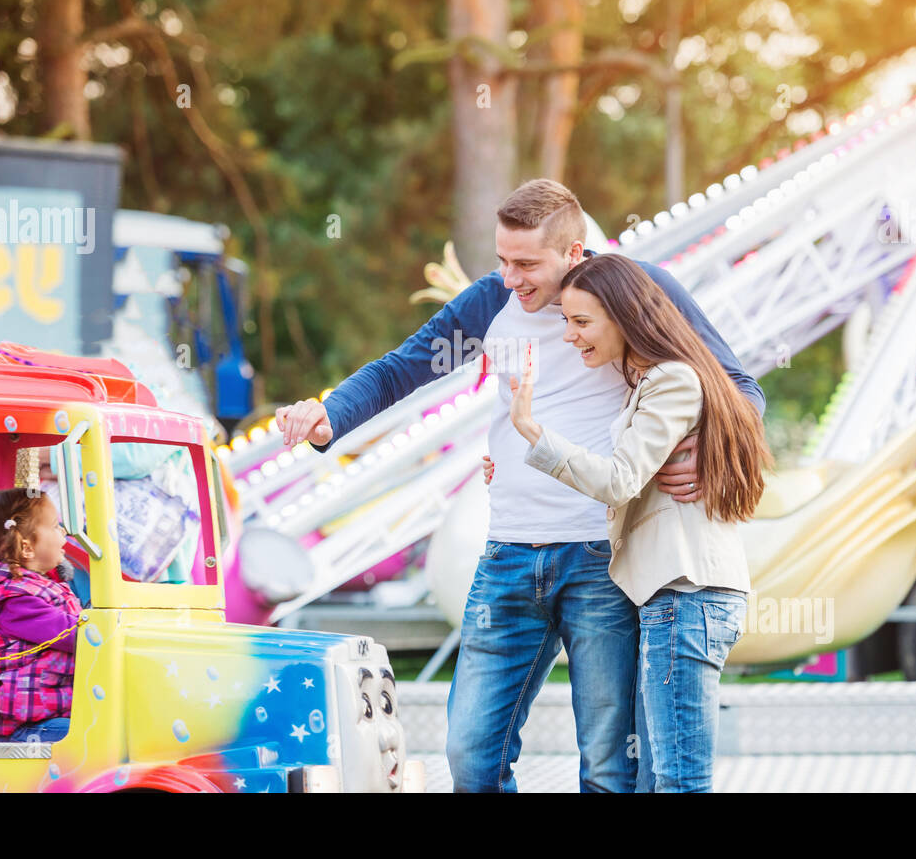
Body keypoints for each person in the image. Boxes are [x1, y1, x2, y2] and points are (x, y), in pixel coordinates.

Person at [276, 178, 764, 792]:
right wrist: (332, 413)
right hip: (508, 551)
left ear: (574, 253)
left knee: (611, 763)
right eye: (502, 260)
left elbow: (739, 388)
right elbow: (401, 369)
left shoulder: (637, 292)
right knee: (472, 752)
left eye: (527, 263)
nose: (510, 277)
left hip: (602, 558)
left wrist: (708, 456)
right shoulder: (489, 304)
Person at [508, 253, 772, 791]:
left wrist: (532, 433)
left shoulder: (671, 381)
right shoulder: (651, 383)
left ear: (626, 317)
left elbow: (619, 480)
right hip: (675, 598)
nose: (570, 336)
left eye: (582, 322)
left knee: (678, 782)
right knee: (664, 780)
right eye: (566, 321)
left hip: (685, 594)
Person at [0, 488, 81, 744]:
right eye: (55, 525)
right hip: (27, 727)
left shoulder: (40, 585)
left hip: (52, 712)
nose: (63, 533)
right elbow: (72, 634)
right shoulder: (12, 600)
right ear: (26, 547)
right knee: (100, 739)